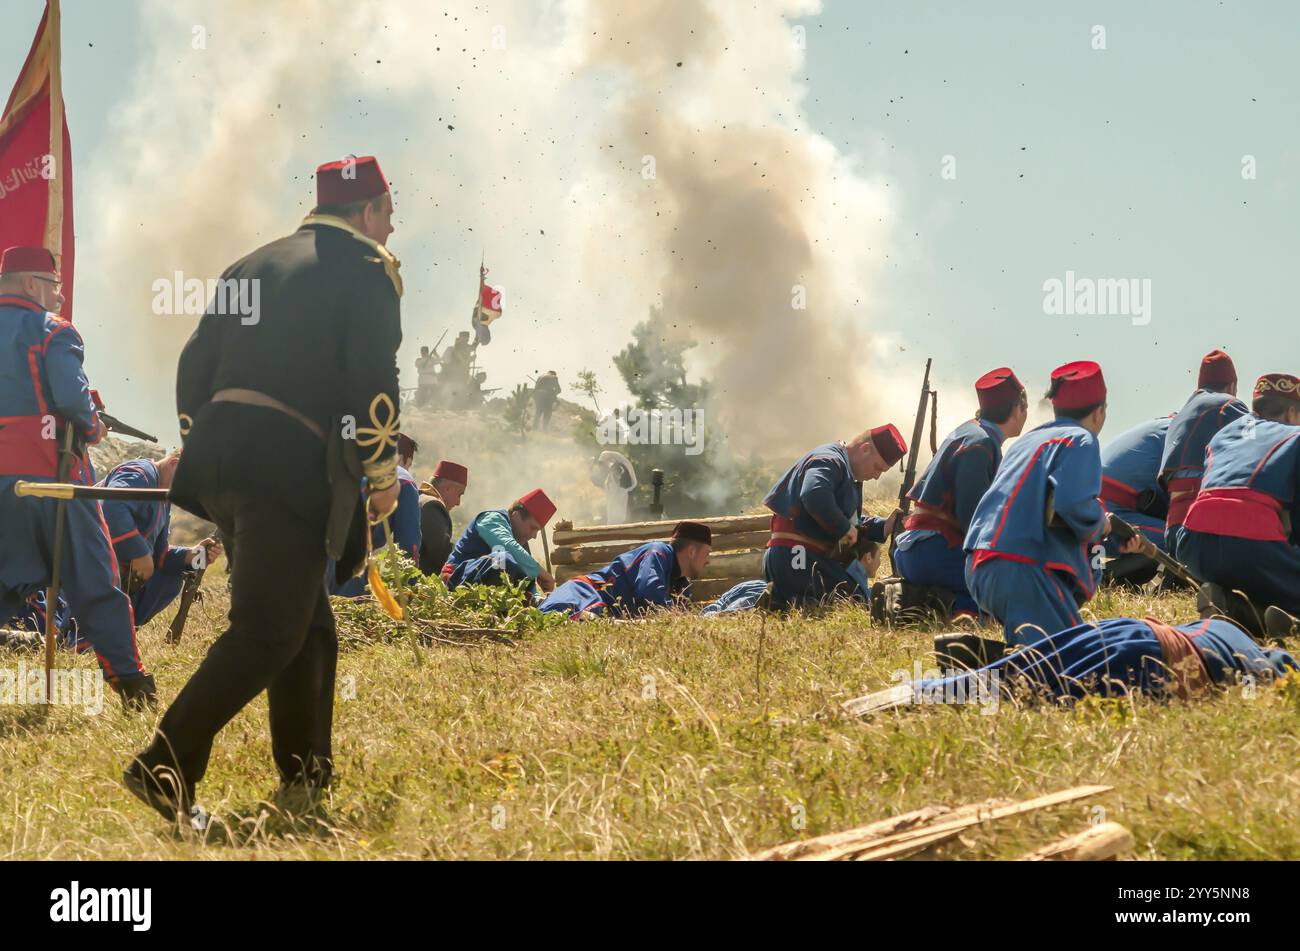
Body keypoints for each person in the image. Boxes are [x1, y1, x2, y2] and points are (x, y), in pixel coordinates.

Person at [124, 155, 404, 825]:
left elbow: (194, 365)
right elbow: (373, 381)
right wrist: (384, 475)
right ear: (367, 214)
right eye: (389, 217)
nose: (391, 231)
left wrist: (211, 440)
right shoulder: (367, 272)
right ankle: (163, 762)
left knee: (307, 623)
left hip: (221, 462)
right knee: (269, 629)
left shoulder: (248, 265)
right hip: (286, 467)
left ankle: (307, 768)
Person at [0, 246, 155, 707]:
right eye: (53, 286)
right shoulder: (55, 333)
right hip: (54, 481)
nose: (57, 295)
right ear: (32, 284)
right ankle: (130, 683)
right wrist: (93, 423)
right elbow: (72, 401)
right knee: (94, 581)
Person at [965, 361, 1141, 645]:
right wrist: (1103, 524)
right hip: (1020, 569)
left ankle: (975, 673)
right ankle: (945, 686)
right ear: (1099, 413)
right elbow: (1072, 505)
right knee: (1073, 665)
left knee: (1031, 663)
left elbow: (1046, 514)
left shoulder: (1027, 442)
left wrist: (1106, 542)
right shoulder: (1081, 440)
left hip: (980, 565)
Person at [850, 615, 1296, 715]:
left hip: (1125, 629)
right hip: (1154, 659)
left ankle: (860, 707)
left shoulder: (1223, 625)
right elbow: (1284, 676)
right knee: (1007, 697)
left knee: (992, 681)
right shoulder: (1263, 660)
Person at [893, 368, 1028, 617]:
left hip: (922, 554)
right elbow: (973, 517)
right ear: (1018, 408)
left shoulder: (972, 432)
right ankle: (935, 605)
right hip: (936, 552)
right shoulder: (982, 444)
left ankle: (924, 600)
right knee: (1011, 590)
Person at [1178, 373, 1300, 634]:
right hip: (1255, 544)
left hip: (1196, 544)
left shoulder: (1223, 434)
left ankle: (1228, 604)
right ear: (1292, 412)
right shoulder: (1294, 436)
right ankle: (1289, 622)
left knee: (1252, 573)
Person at [762, 426, 906, 609]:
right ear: (865, 449)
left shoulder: (843, 469)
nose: (877, 476)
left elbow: (851, 522)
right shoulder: (830, 460)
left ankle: (780, 600)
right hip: (797, 556)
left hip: (800, 558)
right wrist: (844, 529)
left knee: (860, 597)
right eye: (877, 467)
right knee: (858, 602)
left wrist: (884, 526)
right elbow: (814, 495)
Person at [98, 452, 221, 627]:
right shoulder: (140, 473)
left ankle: (122, 629)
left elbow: (160, 555)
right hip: (93, 565)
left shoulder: (164, 500)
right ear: (174, 463)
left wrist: (194, 555)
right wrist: (139, 553)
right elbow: (111, 506)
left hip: (118, 574)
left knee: (171, 578)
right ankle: (85, 634)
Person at [1158, 350, 1249, 552]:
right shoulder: (1228, 404)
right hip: (1206, 534)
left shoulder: (1181, 415)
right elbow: (1260, 448)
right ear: (1232, 385)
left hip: (1174, 533)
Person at [540, 521, 712, 618]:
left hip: (597, 607)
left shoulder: (681, 585)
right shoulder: (658, 552)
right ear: (691, 552)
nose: (708, 561)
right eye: (707, 554)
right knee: (552, 620)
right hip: (582, 595)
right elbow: (649, 592)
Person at [702, 536, 880, 615]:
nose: (880, 564)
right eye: (878, 557)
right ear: (868, 558)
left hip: (757, 586)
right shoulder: (855, 592)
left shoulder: (749, 585)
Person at [1099, 415, 1173, 586]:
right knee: (1175, 540)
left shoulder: (1166, 426)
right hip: (1108, 512)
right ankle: (1100, 579)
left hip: (1101, 508)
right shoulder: (1182, 437)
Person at [442, 489, 557, 594]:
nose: (534, 536)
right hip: (456, 580)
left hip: (483, 592)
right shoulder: (491, 519)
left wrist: (538, 597)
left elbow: (527, 582)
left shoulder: (520, 546)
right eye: (533, 528)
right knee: (503, 559)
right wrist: (540, 572)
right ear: (516, 515)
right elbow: (506, 545)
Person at [417, 460, 467, 575]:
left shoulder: (421, 499)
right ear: (448, 488)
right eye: (459, 494)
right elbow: (440, 553)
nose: (458, 502)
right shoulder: (433, 505)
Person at [593, 450, 637, 525]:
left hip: (618, 500)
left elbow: (619, 484)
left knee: (617, 520)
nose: (602, 468)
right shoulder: (611, 472)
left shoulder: (617, 469)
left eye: (602, 464)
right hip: (613, 501)